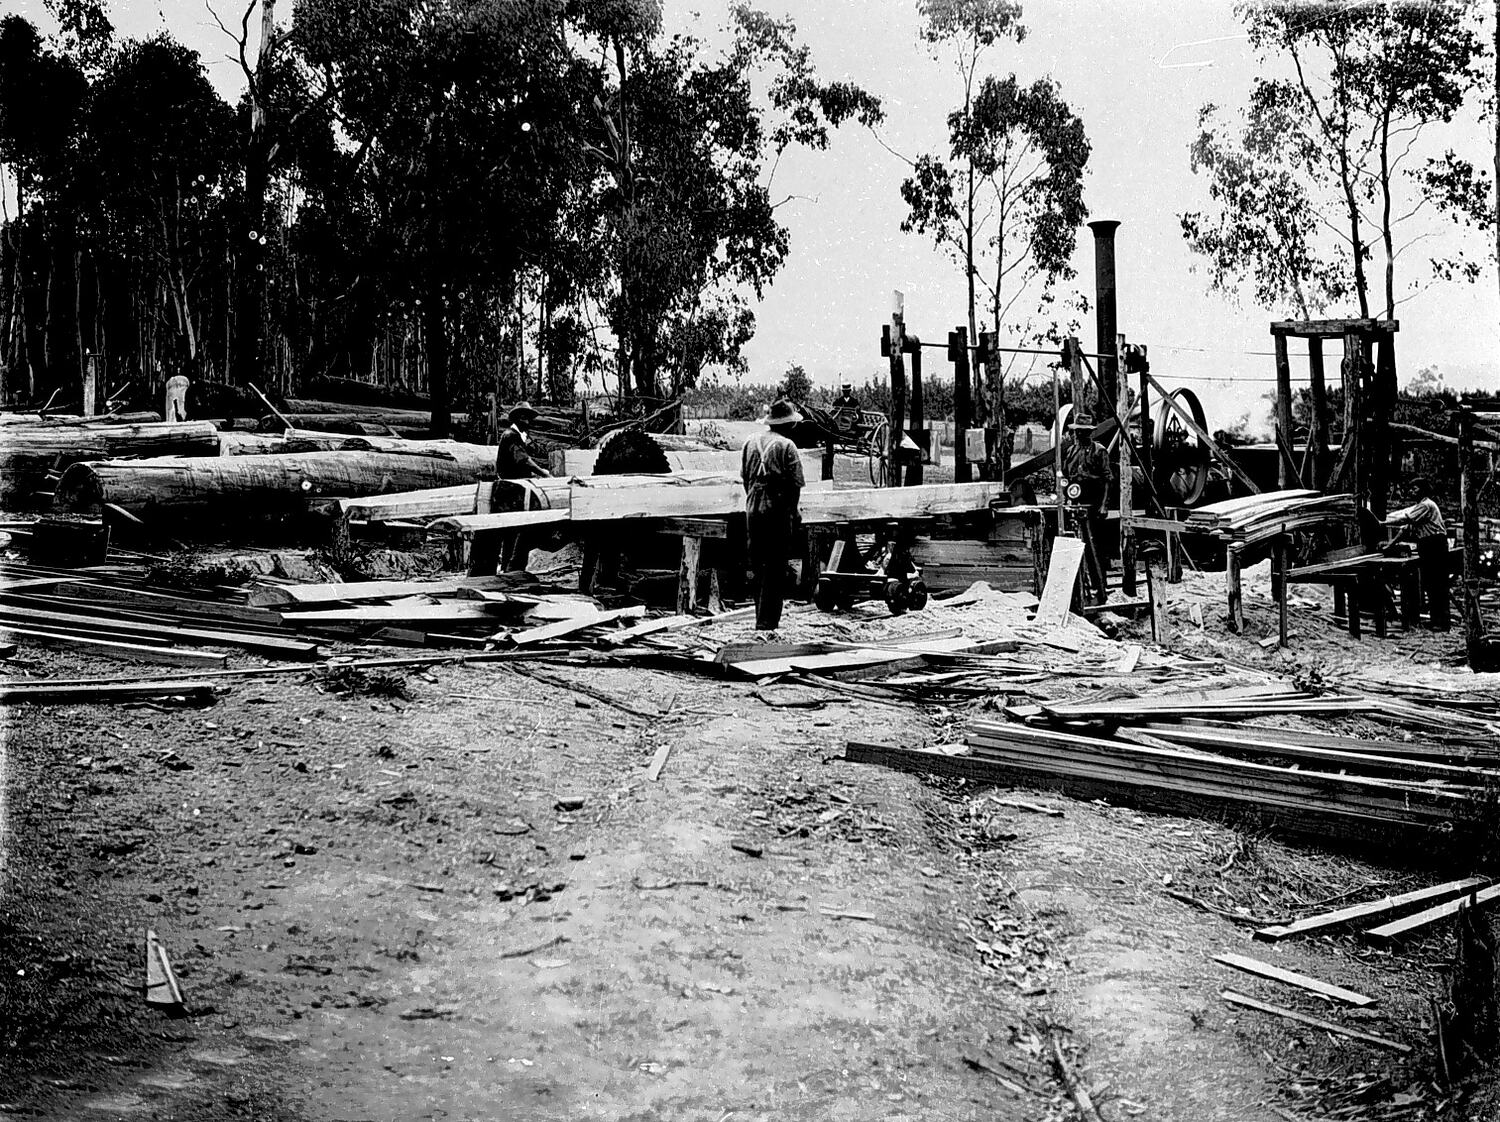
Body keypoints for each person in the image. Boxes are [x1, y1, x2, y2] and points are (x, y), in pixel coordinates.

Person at [742, 399, 806, 631]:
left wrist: (754, 500)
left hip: (753, 509)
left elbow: (745, 479)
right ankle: (768, 623)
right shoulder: (787, 446)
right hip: (777, 511)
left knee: (758, 565)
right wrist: (793, 513)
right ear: (788, 424)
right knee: (776, 567)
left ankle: (761, 618)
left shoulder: (749, 442)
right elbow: (796, 485)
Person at [1385, 477, 1450, 630]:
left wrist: (1383, 523)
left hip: (1435, 544)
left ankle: (1442, 622)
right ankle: (1436, 620)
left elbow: (1406, 520)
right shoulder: (1418, 507)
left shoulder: (1426, 505)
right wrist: (1390, 545)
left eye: (1415, 488)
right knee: (1430, 584)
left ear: (1422, 490)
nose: (1412, 491)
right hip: (1427, 545)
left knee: (1437, 584)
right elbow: (1406, 528)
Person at [1062, 415, 1109, 600]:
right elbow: (1065, 475)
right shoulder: (1072, 451)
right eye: (1077, 431)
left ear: (1090, 432)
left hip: (1094, 503)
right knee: (1074, 543)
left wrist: (1104, 505)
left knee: (1096, 547)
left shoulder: (1099, 451)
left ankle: (1101, 587)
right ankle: (1080, 587)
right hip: (1076, 502)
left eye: (1083, 431)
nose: (1079, 434)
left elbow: (1107, 480)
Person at [495, 402, 552, 479]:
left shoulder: (521, 436)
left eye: (529, 418)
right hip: (510, 481)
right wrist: (544, 474)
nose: (528, 422)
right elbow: (524, 460)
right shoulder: (511, 436)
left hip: (520, 478)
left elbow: (531, 452)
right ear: (517, 419)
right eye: (524, 418)